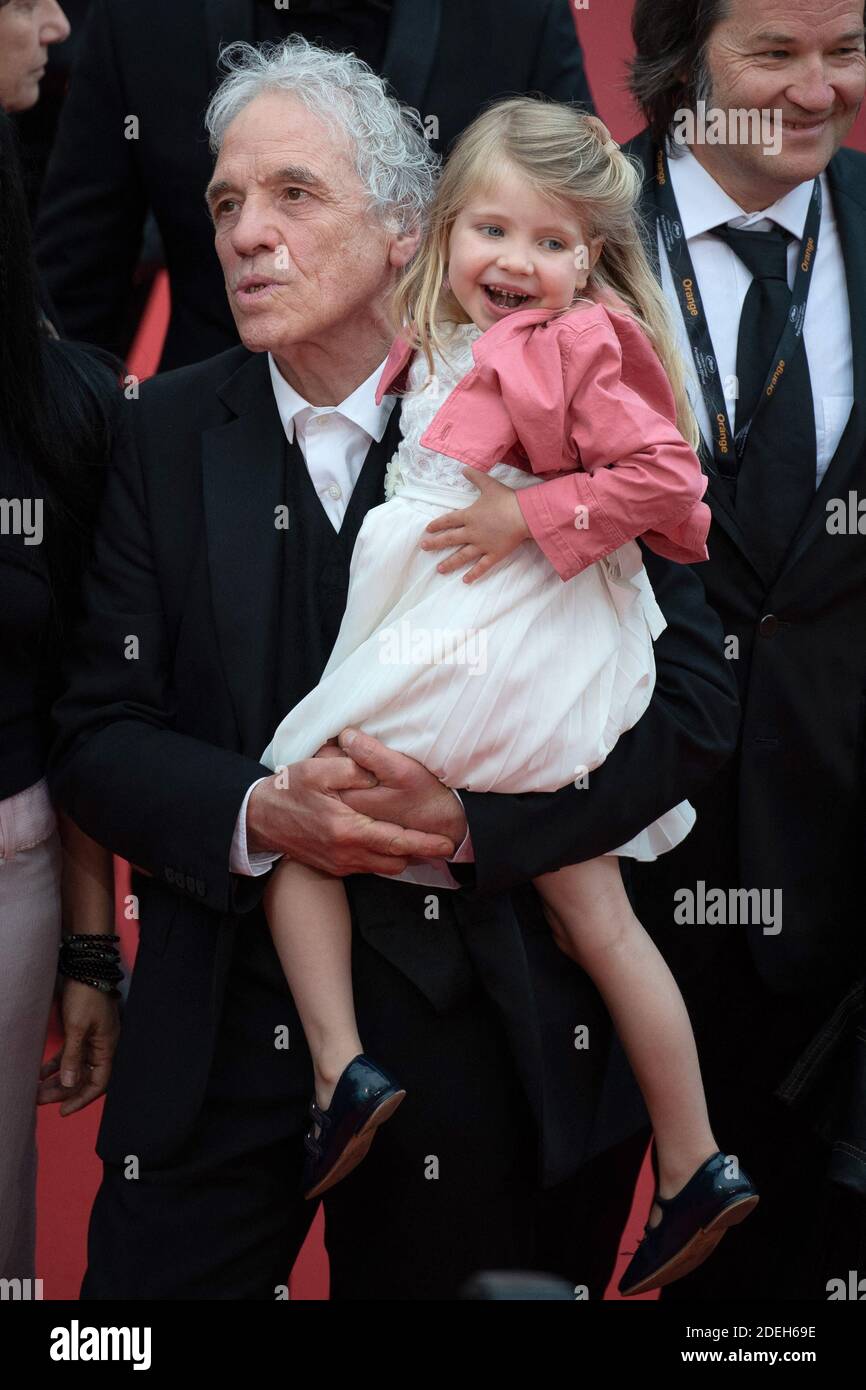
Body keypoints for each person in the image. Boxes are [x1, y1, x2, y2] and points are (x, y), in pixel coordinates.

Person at [47, 38, 740, 1301]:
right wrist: (262, 812)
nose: (245, 234)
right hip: (216, 1046)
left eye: (293, 194)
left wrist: (474, 824)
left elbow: (694, 704)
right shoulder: (158, 432)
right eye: (224, 202)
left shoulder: (552, 394)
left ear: (405, 231)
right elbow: (99, 733)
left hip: (490, 1035)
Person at [254, 93, 758, 1296]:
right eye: (491, 230)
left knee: (292, 809)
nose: (516, 261)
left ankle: (337, 1072)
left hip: (505, 650)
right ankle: (694, 1159)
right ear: (443, 235)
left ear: (590, 260)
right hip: (494, 656)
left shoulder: (577, 342)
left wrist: (527, 513)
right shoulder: (440, 339)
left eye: (550, 241)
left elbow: (669, 488)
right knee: (597, 918)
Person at [611, 0, 866, 1299]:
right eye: (774, 53)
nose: (819, 90)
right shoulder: (568, 227)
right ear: (678, 61)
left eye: (846, 49)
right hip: (588, 873)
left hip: (831, 903)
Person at [34, 0, 594, 370]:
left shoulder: (518, 15)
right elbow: (78, 279)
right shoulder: (142, 16)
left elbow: (578, 231)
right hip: (205, 447)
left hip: (462, 435)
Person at [0, 101, 121, 1284]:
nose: (55, 24)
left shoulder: (60, 408)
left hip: (14, 874)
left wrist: (92, 952)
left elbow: (80, 698)